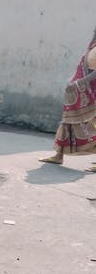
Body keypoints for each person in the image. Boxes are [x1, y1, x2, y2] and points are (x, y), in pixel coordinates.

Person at [39, 30, 96, 172]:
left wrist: (78, 83)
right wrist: (73, 80)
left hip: (91, 92)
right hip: (81, 91)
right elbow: (83, 66)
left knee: (93, 124)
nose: (94, 32)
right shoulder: (92, 46)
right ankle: (58, 155)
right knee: (68, 121)